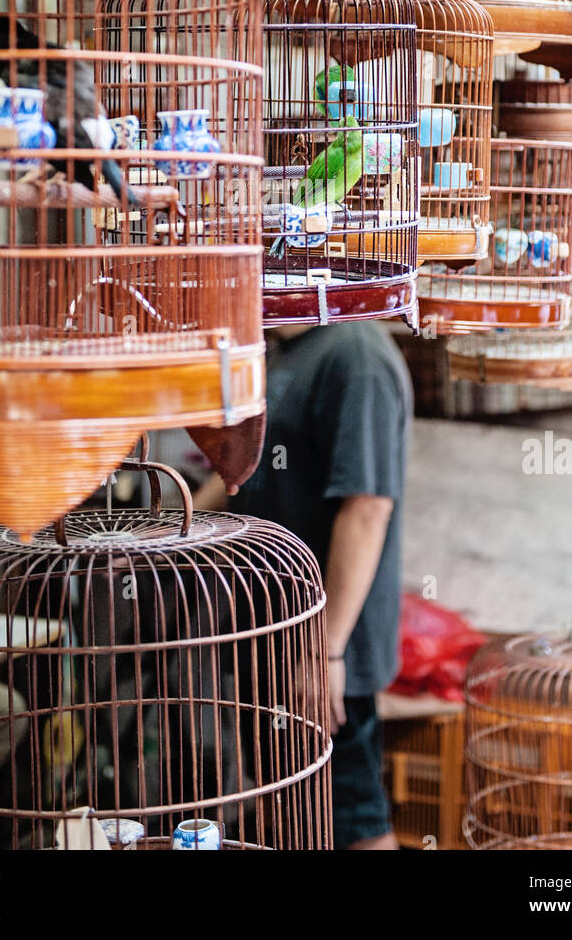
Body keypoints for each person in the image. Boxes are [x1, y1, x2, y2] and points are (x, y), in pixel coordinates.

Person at [196, 319, 413, 850]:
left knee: (349, 812)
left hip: (318, 648)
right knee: (294, 807)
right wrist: (168, 533)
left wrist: (325, 651)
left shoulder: (355, 354)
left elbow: (367, 508)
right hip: (266, 635)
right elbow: (238, 478)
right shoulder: (279, 351)